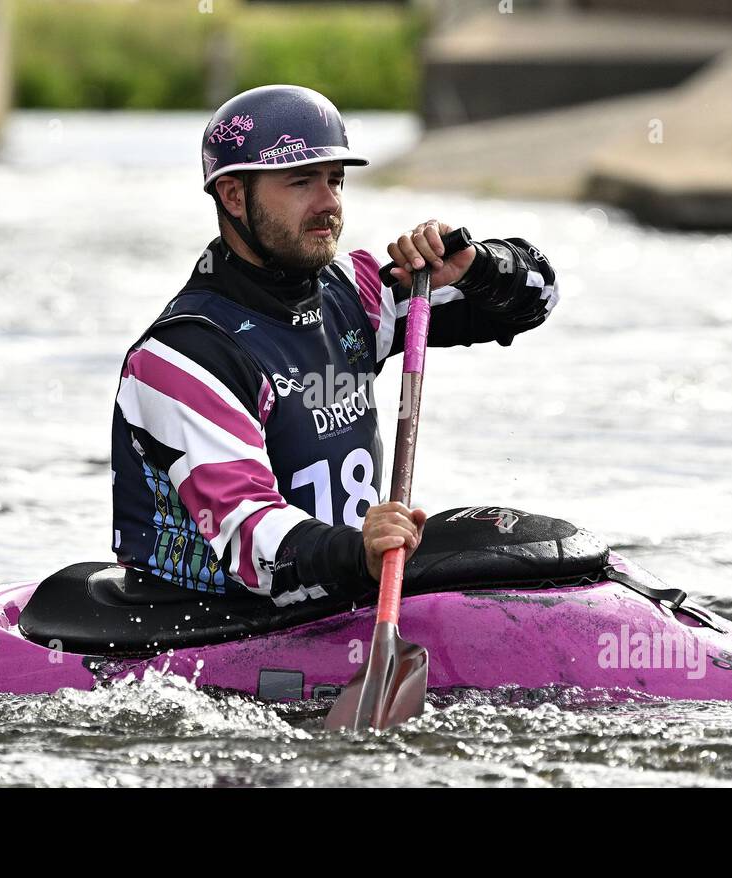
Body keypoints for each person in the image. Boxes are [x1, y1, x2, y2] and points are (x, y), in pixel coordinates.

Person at [111, 84, 558, 606]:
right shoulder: (181, 357)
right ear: (233, 195)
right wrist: (363, 555)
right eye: (302, 182)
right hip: (211, 631)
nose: (329, 204)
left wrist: (477, 265)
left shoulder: (356, 293)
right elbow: (254, 541)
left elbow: (538, 301)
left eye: (335, 180)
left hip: (347, 588)